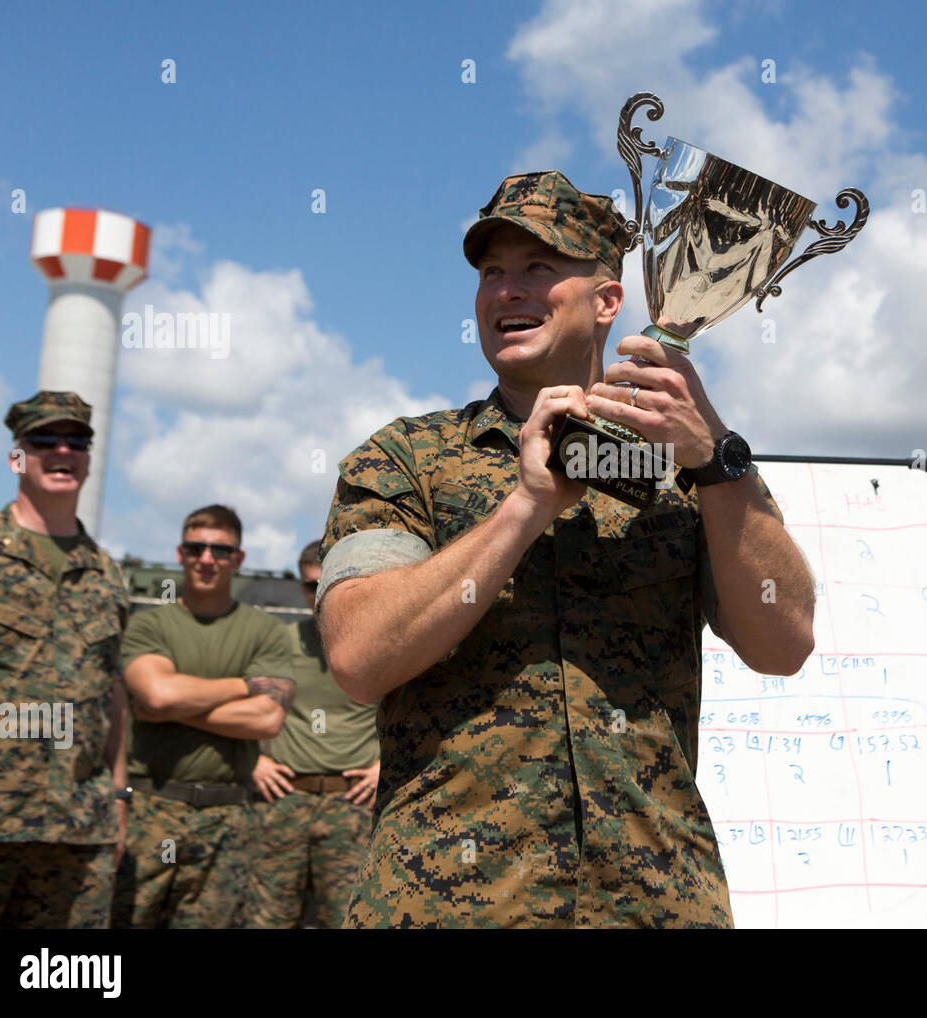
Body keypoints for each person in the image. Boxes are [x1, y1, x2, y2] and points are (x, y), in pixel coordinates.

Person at [317, 169, 815, 927]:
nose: (506, 292)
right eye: (491, 273)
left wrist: (715, 459)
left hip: (655, 901)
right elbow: (358, 656)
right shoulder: (404, 459)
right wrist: (526, 506)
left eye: (538, 270)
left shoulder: (696, 473)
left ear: (608, 300)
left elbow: (784, 643)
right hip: (443, 903)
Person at [0, 391, 130, 928]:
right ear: (18, 457)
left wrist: (120, 794)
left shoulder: (106, 575)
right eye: (44, 440)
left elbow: (113, 692)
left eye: (76, 441)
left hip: (79, 828)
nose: (62, 451)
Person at [113, 504, 295, 928]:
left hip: (227, 817)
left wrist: (176, 708)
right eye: (196, 548)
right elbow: (157, 696)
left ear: (239, 559)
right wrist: (241, 684)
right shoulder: (149, 625)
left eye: (220, 550)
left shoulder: (264, 631)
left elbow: (267, 720)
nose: (207, 559)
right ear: (180, 553)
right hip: (151, 809)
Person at [248, 540, 379, 928]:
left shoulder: (378, 647)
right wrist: (252, 759)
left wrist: (383, 766)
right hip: (283, 803)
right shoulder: (279, 643)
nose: (319, 595)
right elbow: (240, 708)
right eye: (310, 586)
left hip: (352, 806)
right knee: (266, 920)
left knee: (348, 919)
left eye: (328, 583)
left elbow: (417, 711)